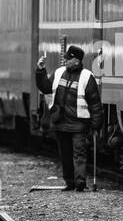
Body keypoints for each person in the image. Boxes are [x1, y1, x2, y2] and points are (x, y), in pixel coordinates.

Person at [35, 45, 104, 191]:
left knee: (79, 154)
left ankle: (80, 182)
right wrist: (40, 71)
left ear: (77, 61)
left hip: (79, 124)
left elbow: (95, 104)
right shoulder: (59, 73)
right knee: (65, 155)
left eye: (69, 58)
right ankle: (70, 182)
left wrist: (96, 125)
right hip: (60, 122)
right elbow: (46, 88)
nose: (65, 60)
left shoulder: (87, 77)